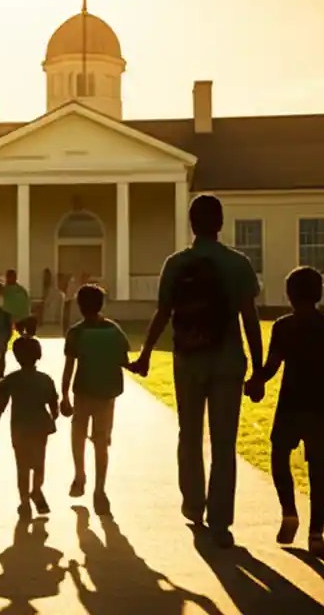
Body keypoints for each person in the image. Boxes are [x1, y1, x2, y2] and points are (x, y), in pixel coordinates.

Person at [128, 195, 262, 548]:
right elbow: (250, 318)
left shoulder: (176, 264)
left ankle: (193, 505)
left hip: (188, 360)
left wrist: (144, 355)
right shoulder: (238, 264)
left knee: (189, 435)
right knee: (223, 443)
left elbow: (163, 313)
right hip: (228, 360)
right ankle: (220, 521)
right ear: (220, 223)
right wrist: (259, 368)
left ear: (191, 224)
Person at [244, 266, 324, 556]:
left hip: (291, 402)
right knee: (318, 468)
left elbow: (272, 365)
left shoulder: (283, 326)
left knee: (279, 455)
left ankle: (289, 512)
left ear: (289, 295)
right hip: (321, 404)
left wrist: (256, 382)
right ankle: (317, 533)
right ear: (319, 294)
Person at [60, 284, 132, 516]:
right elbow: (123, 359)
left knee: (78, 434)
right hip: (107, 393)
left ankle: (79, 475)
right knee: (101, 441)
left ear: (79, 307)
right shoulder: (114, 330)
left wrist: (64, 396)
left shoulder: (76, 332)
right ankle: (99, 488)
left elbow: (69, 367)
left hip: (83, 391)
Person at [0, 337, 59, 519]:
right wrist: (54, 416)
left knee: (22, 466)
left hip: (19, 428)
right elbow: (54, 406)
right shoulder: (45, 380)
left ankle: (25, 500)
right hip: (41, 427)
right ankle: (36, 489)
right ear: (38, 355)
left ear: (16, 357)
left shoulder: (11, 381)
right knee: (39, 464)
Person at [1, 269, 35, 337]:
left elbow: (27, 303)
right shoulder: (4, 290)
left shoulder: (21, 290)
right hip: (9, 320)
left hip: (19, 319)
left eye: (12, 277)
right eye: (9, 277)